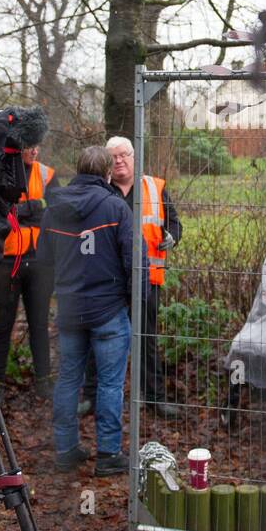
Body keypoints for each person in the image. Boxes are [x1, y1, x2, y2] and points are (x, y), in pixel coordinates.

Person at [39, 146, 136, 476]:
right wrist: (133, 301)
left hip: (69, 310)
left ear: (77, 170)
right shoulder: (115, 206)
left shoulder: (54, 209)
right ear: (107, 173)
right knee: (109, 384)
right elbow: (132, 261)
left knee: (68, 380)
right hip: (108, 310)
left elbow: (44, 261)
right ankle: (108, 455)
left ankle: (66, 450)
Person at [80, 135, 183, 419]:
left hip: (146, 278)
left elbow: (174, 223)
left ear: (134, 156)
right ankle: (91, 397)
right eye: (113, 156)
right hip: (107, 281)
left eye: (124, 154)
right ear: (107, 162)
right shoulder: (99, 190)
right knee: (97, 338)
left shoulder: (155, 187)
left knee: (146, 339)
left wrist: (171, 236)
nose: (119, 160)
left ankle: (154, 399)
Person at [0, 142, 58, 396]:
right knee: (2, 324)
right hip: (4, 262)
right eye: (29, 146)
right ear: (16, 147)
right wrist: (34, 207)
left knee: (39, 324)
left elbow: (55, 211)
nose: (35, 150)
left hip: (39, 261)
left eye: (38, 145)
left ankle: (44, 382)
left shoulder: (47, 174)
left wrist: (22, 210)